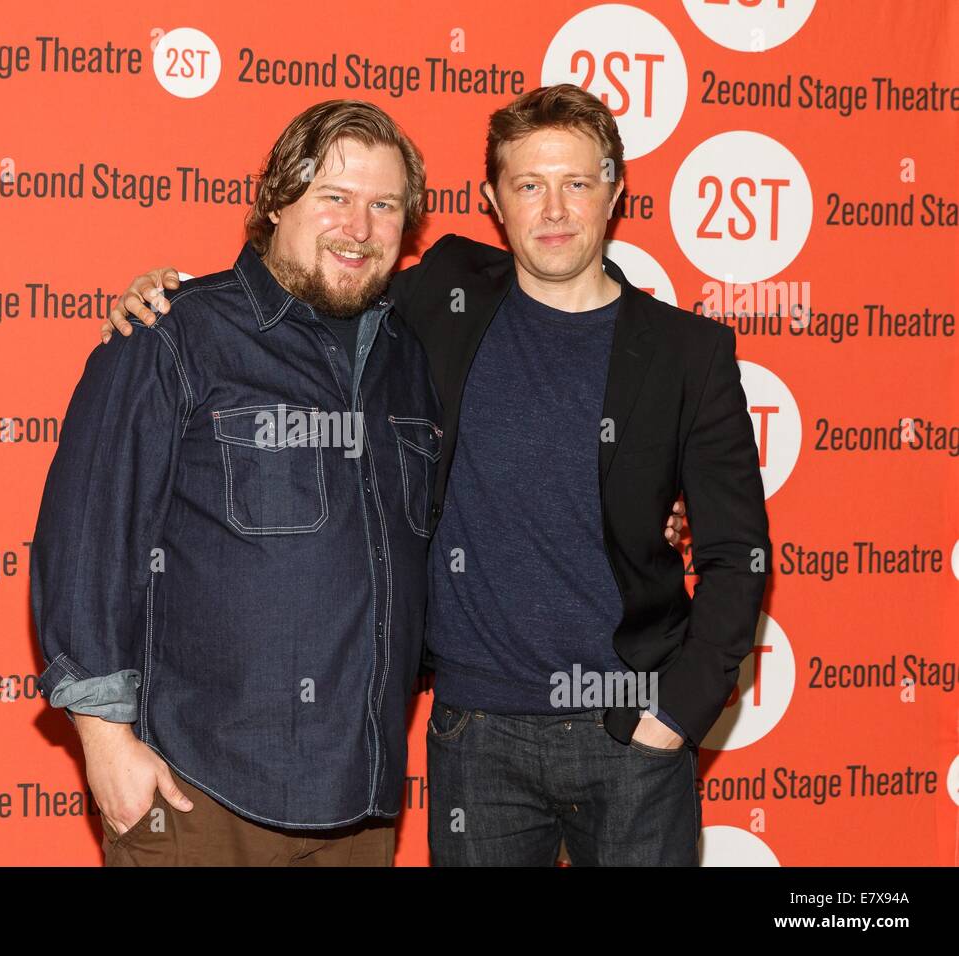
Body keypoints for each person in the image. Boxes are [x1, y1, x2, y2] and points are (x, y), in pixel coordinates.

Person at [106, 84, 764, 866]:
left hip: (631, 730)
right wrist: (164, 296)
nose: (553, 210)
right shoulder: (440, 297)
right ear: (492, 199)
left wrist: (676, 716)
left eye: (577, 183)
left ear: (615, 192)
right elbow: (312, 282)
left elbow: (738, 557)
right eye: (528, 185)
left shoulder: (688, 353)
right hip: (474, 736)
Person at [30, 99, 440, 865]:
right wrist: (105, 742)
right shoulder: (174, 333)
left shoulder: (409, 362)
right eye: (335, 199)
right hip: (199, 793)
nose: (359, 227)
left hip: (362, 799)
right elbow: (90, 537)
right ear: (278, 202)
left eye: (384, 206)